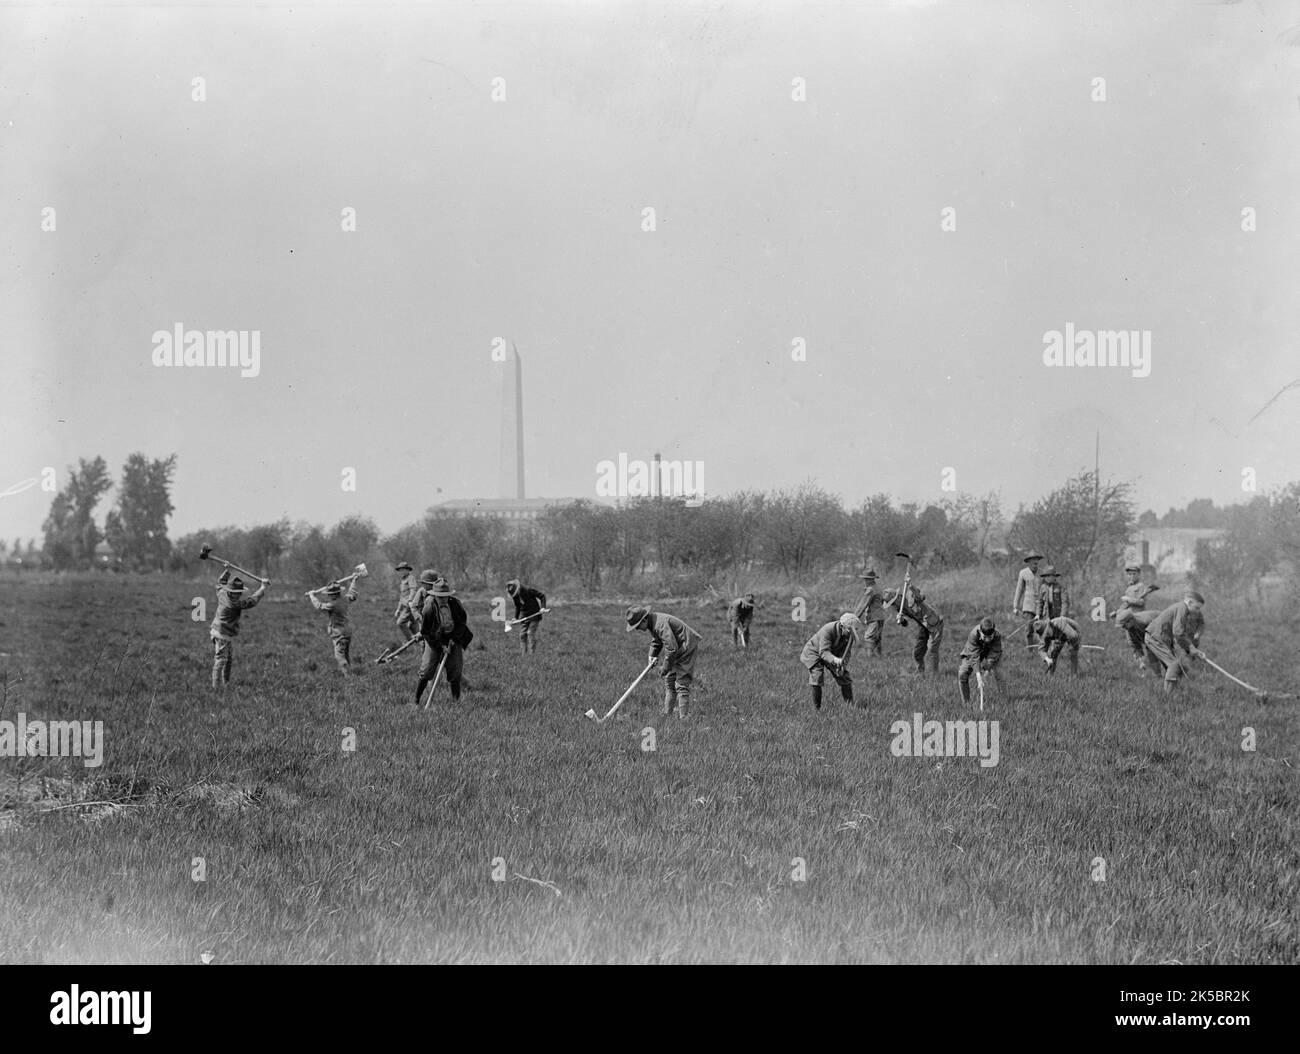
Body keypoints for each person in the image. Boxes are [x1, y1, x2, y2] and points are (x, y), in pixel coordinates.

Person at [625, 606, 702, 720]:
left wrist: (665, 668)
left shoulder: (659, 624)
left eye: (637, 626)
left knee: (681, 683)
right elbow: (657, 640)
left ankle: (684, 718)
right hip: (677, 649)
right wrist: (652, 655)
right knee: (669, 681)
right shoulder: (653, 622)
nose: (637, 629)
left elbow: (671, 648)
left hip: (686, 647)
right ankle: (667, 715)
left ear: (644, 620)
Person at [415, 575, 473, 705]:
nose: (443, 599)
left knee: (455, 671)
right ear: (434, 595)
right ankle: (416, 701)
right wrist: (441, 645)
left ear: (449, 595)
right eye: (440, 597)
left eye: (445, 596)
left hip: (453, 638)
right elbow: (426, 631)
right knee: (426, 670)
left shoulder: (455, 604)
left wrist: (453, 639)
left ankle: (456, 702)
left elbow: (462, 624)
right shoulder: (429, 608)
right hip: (434, 639)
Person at [208, 568, 268, 690]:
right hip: (222, 634)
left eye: (239, 592)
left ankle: (226, 684)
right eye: (235, 593)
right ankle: (215, 688)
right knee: (221, 659)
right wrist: (262, 588)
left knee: (228, 659)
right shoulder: (234, 604)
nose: (237, 595)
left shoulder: (222, 593)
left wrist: (227, 570)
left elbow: (221, 583)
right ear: (230, 592)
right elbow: (251, 602)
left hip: (221, 632)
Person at [1143, 590, 1207, 693]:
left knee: (1180, 669)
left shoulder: (1182, 608)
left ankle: (1177, 692)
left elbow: (1178, 634)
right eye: (1197, 608)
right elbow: (1178, 632)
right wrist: (1191, 648)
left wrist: (1193, 650)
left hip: (1162, 639)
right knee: (1174, 664)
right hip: (1155, 637)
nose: (1198, 611)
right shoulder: (1182, 608)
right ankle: (1167, 698)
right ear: (1190, 602)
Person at [800, 613, 862, 710]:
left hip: (831, 653)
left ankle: (850, 706)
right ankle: (816, 709)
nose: (853, 633)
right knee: (817, 675)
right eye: (850, 630)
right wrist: (835, 660)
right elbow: (824, 652)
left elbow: (846, 653)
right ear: (842, 627)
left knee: (844, 676)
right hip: (814, 652)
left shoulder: (849, 635)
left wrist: (842, 665)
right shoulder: (828, 629)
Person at [882, 584, 945, 674]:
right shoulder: (899, 608)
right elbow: (906, 624)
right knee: (917, 652)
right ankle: (920, 671)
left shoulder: (909, 596)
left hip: (934, 624)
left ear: (898, 598)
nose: (893, 605)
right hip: (922, 627)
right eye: (891, 604)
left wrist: (912, 588)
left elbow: (922, 597)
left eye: (893, 603)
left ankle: (934, 674)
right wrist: (902, 620)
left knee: (932, 650)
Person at [307, 578, 359, 675]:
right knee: (345, 654)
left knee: (339, 656)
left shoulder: (332, 604)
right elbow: (353, 594)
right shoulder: (345, 599)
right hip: (347, 632)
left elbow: (319, 606)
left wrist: (311, 596)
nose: (328, 596)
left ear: (334, 594)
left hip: (339, 634)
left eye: (329, 594)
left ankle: (348, 677)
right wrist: (354, 581)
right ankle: (350, 673)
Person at [1112, 564, 1159, 667]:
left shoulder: (1141, 586)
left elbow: (1141, 602)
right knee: (1132, 642)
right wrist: (1117, 612)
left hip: (1139, 618)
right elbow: (1125, 605)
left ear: (1139, 575)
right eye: (1129, 574)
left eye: (1134, 574)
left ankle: (1155, 664)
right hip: (1128, 619)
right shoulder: (1129, 588)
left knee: (1145, 640)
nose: (1131, 576)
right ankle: (1141, 664)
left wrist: (1128, 599)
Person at [957, 617, 1004, 705]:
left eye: (990, 637)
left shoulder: (997, 635)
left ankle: (1004, 700)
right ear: (980, 632)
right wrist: (979, 676)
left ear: (994, 633)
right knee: (962, 673)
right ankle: (966, 704)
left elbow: (994, 653)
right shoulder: (973, 634)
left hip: (990, 652)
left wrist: (986, 670)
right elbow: (974, 656)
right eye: (985, 637)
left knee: (998, 673)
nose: (988, 640)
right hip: (973, 652)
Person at [1012, 550, 1045, 645]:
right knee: (1029, 629)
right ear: (1029, 562)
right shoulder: (1023, 573)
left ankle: (1042, 649)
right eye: (1033, 560)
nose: (1036, 562)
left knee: (1041, 629)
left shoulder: (1042, 573)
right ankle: (1030, 650)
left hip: (1040, 606)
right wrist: (1015, 606)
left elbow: (1045, 591)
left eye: (1037, 560)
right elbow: (1019, 590)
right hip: (1028, 606)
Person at [506, 578, 547, 653]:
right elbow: (518, 606)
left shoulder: (528, 590)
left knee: (530, 633)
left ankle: (532, 655)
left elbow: (542, 596)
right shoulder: (515, 595)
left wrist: (543, 607)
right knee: (522, 635)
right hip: (524, 616)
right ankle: (524, 656)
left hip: (534, 615)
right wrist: (515, 617)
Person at [852, 569, 886, 657]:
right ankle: (880, 658)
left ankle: (869, 659)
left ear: (871, 579)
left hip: (875, 617)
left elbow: (862, 605)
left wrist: (853, 618)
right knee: (877, 638)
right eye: (865, 579)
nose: (865, 581)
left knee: (869, 637)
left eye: (867, 579)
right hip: (880, 616)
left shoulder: (870, 590)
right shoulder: (877, 588)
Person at [393, 562, 419, 642]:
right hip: (405, 605)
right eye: (400, 570)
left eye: (403, 570)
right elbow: (402, 596)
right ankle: (419, 642)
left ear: (407, 570)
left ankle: (410, 640)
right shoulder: (403, 580)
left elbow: (413, 589)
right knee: (412, 625)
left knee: (400, 623)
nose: (401, 572)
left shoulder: (411, 578)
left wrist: (410, 600)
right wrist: (398, 609)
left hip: (410, 606)